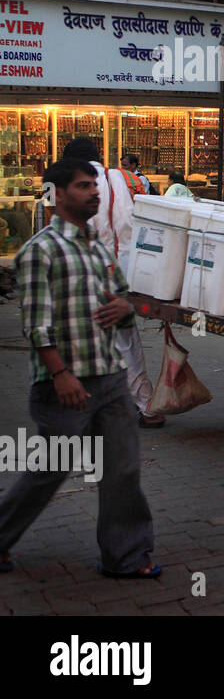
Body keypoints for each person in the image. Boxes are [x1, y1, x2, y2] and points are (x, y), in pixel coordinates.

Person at [0, 159, 159, 579]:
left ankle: (125, 556)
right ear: (58, 194)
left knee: (122, 468)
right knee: (49, 471)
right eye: (83, 185)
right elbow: (35, 324)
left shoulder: (99, 249)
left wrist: (125, 307)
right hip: (64, 386)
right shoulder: (40, 251)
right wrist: (59, 373)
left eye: (94, 185)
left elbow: (124, 303)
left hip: (110, 378)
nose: (94, 192)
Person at [62, 138, 161, 429]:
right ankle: (142, 405)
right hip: (129, 269)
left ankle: (136, 405)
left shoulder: (70, 184)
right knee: (124, 339)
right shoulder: (122, 176)